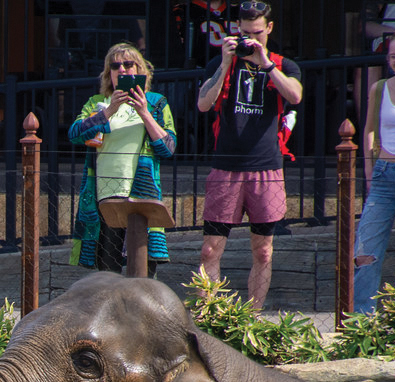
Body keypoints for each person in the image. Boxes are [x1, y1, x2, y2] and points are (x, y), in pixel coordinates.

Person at [196, 0, 302, 310]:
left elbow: (295, 95)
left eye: (257, 32)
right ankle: (210, 318)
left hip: (266, 167)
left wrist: (265, 62)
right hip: (226, 166)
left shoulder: (283, 64)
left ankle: (252, 319)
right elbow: (203, 104)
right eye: (245, 33)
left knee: (263, 250)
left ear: (269, 28)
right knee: (210, 250)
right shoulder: (222, 62)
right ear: (236, 30)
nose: (251, 39)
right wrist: (227, 63)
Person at [68, 43, 176, 276]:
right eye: (115, 66)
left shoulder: (156, 102)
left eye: (129, 64)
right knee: (108, 273)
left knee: (143, 272)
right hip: (105, 199)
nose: (123, 69)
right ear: (109, 74)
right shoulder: (97, 102)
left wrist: (144, 112)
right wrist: (109, 111)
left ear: (141, 70)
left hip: (141, 197)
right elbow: (75, 134)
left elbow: (168, 148)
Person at [353, 39, 395, 314]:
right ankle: (362, 323)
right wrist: (370, 170)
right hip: (384, 173)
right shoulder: (380, 88)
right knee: (366, 250)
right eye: (393, 56)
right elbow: (368, 129)